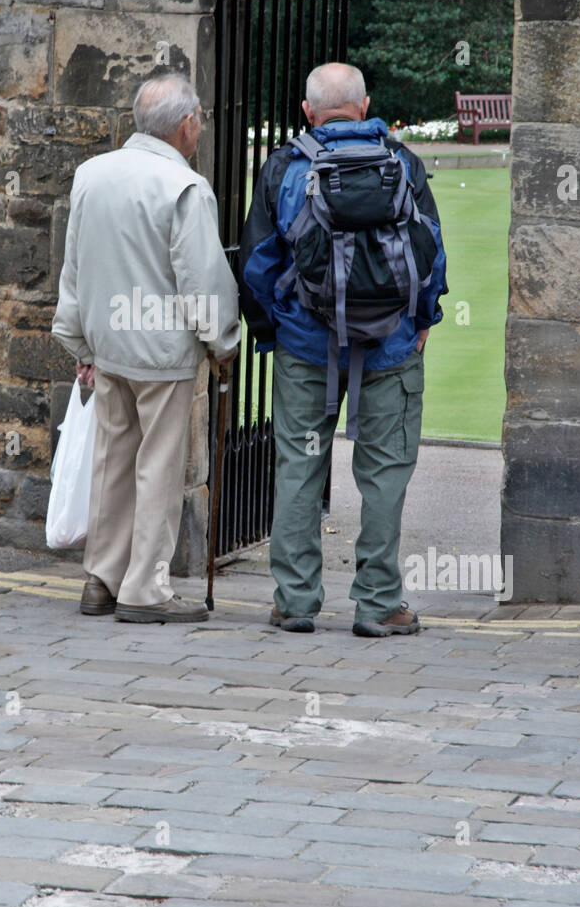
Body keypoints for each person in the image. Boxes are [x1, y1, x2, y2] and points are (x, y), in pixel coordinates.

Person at [238, 62, 448, 636]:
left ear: (308, 111)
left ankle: (296, 602)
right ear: (365, 105)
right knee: (384, 475)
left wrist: (271, 329)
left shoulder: (285, 165)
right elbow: (432, 254)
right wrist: (423, 317)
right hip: (391, 348)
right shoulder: (403, 162)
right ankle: (379, 606)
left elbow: (256, 265)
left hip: (307, 349)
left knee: (300, 469)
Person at [52, 73, 240, 624]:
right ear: (186, 126)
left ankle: (101, 577)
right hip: (162, 352)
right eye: (199, 118)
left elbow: (74, 267)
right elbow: (202, 278)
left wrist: (77, 339)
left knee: (112, 463)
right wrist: (223, 341)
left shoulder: (92, 174)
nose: (200, 127)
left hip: (109, 345)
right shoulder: (185, 187)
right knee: (156, 467)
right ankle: (145, 588)